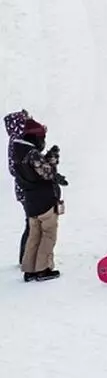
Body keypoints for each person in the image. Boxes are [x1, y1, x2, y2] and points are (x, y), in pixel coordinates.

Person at [10, 113, 65, 281]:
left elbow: (35, 171)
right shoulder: (31, 153)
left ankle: (29, 269)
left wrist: (47, 158)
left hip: (30, 201)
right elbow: (47, 173)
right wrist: (53, 159)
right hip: (45, 201)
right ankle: (43, 269)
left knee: (34, 234)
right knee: (48, 234)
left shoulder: (17, 152)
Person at [5, 110, 30, 264]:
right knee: (31, 224)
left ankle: (25, 256)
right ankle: (26, 257)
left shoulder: (16, 140)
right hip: (26, 188)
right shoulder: (18, 142)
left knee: (30, 223)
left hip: (22, 188)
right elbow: (15, 168)